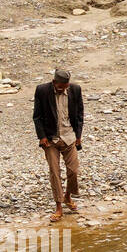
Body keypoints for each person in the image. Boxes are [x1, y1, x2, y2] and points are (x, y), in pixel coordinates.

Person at [33, 68, 84, 223]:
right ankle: (59, 207)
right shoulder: (42, 90)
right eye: (62, 86)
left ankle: (68, 195)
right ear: (54, 82)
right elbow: (37, 116)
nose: (65, 88)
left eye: (66, 85)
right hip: (50, 140)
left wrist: (79, 136)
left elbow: (80, 114)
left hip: (69, 137)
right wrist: (42, 137)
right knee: (55, 172)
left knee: (73, 170)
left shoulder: (75, 89)